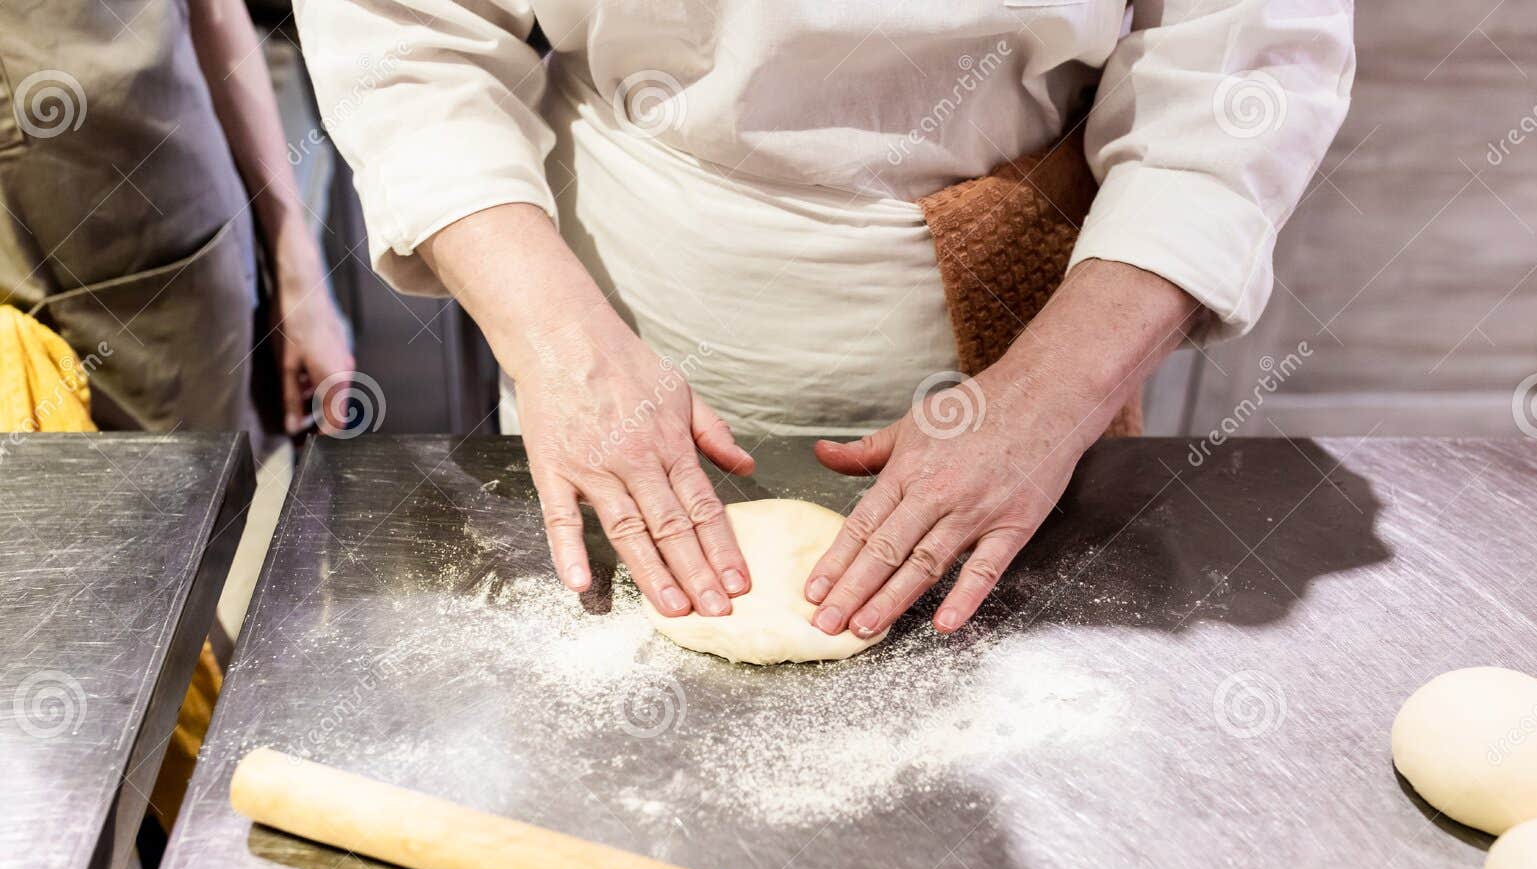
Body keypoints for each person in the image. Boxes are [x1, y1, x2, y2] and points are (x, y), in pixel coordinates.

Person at [297, 1, 1354, 637]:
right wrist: (556, 343)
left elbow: (1243, 59)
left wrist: (1056, 392)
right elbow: (404, 30)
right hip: (606, 304)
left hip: (1028, 318)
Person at [0, 0, 352, 441]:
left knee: (206, 495)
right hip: (27, 282)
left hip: (174, 259)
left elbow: (215, 13)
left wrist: (297, 265)